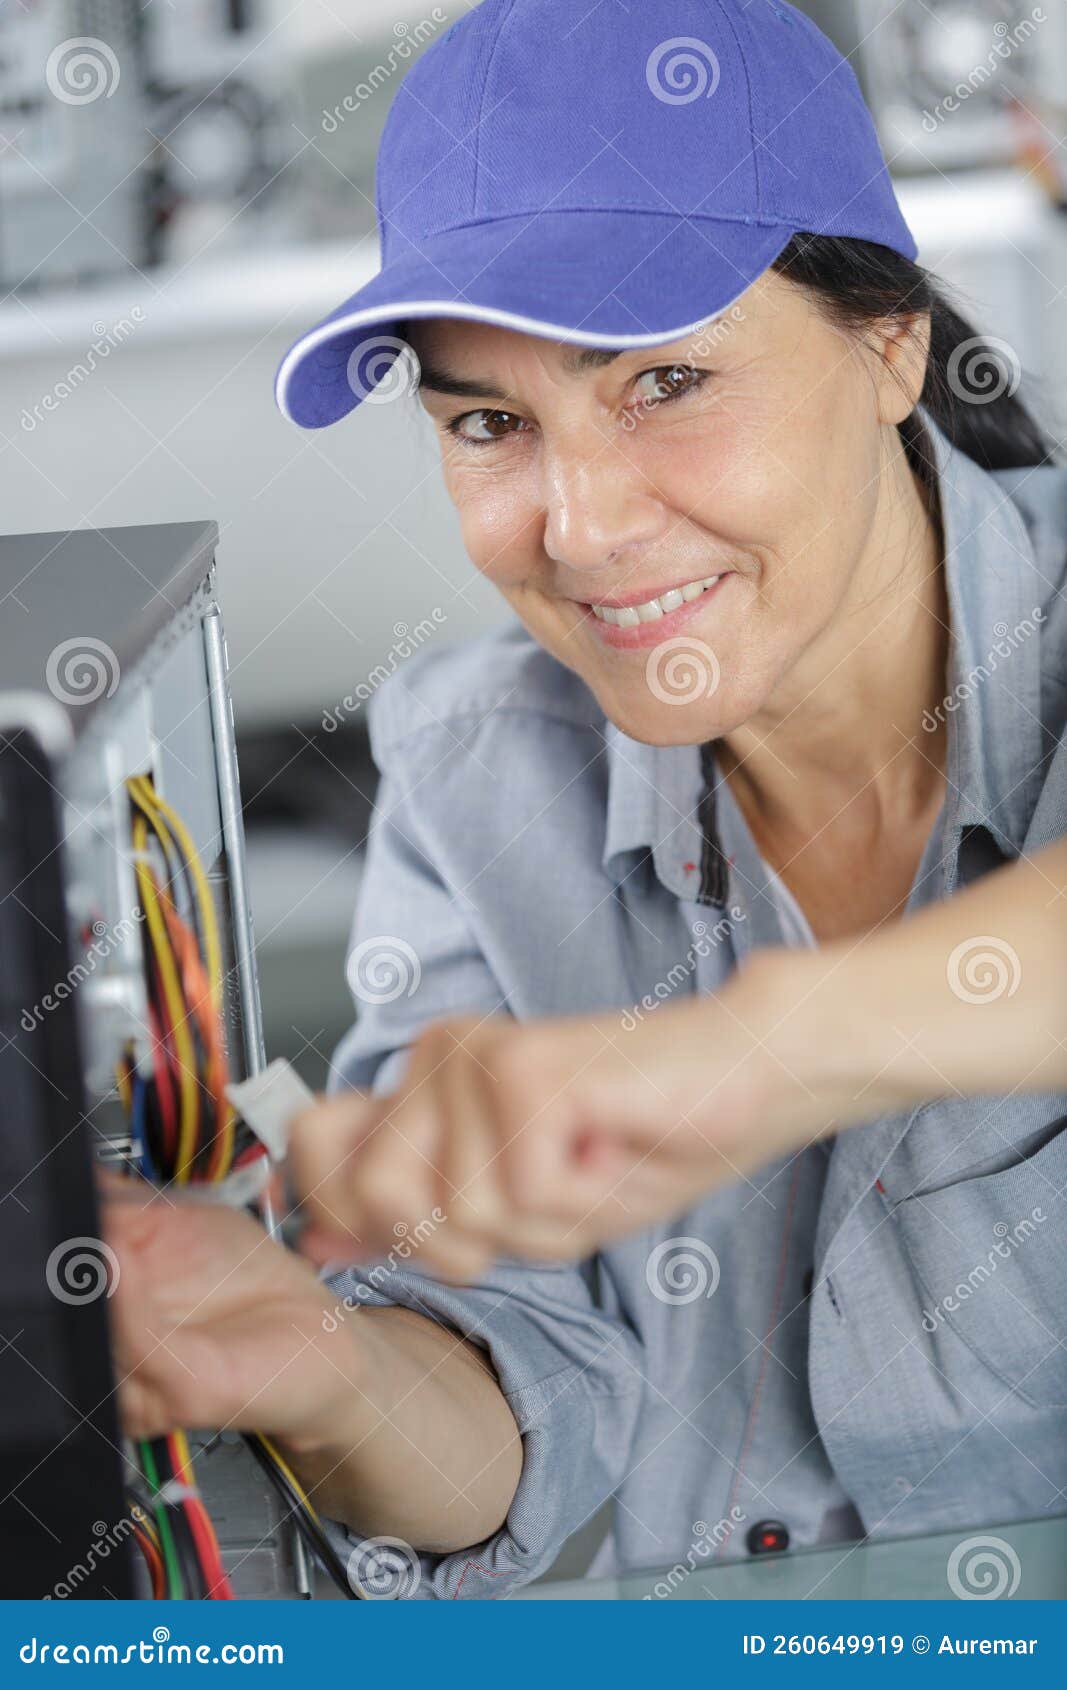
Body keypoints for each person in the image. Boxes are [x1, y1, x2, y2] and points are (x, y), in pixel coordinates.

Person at [105, 0, 1067, 1599]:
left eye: (667, 381)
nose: (582, 523)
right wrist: (320, 1368)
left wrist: (744, 1057)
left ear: (891, 341)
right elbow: (520, 1391)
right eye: (489, 422)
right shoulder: (475, 774)